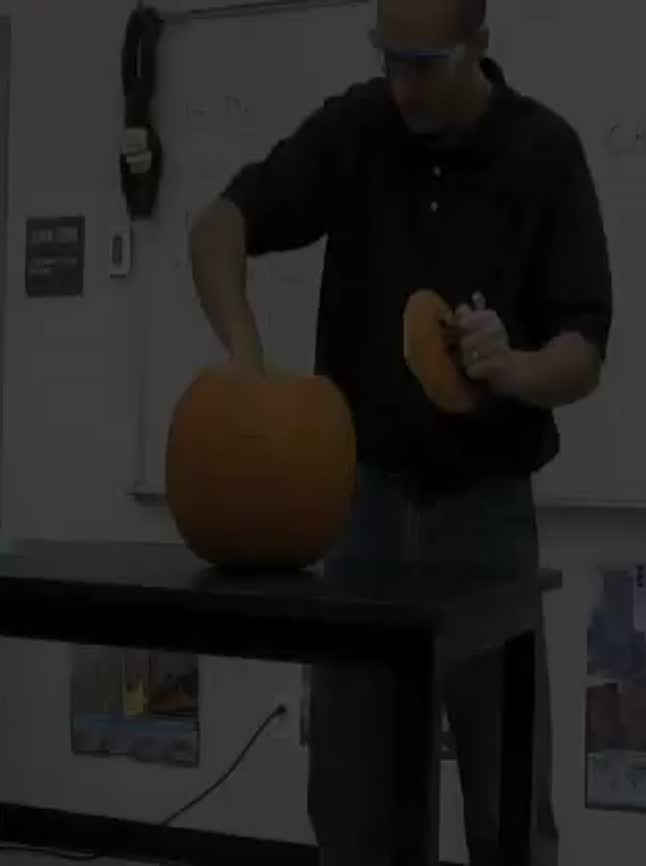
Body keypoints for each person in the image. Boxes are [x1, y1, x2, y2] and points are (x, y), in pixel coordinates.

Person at [187, 0, 612, 862]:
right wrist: (242, 353)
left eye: (427, 64)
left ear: (480, 47)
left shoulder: (545, 153)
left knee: (508, 808)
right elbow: (220, 224)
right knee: (351, 809)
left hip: (486, 520)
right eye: (391, 59)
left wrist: (515, 366)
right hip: (360, 515)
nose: (404, 84)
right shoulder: (359, 128)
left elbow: (585, 348)